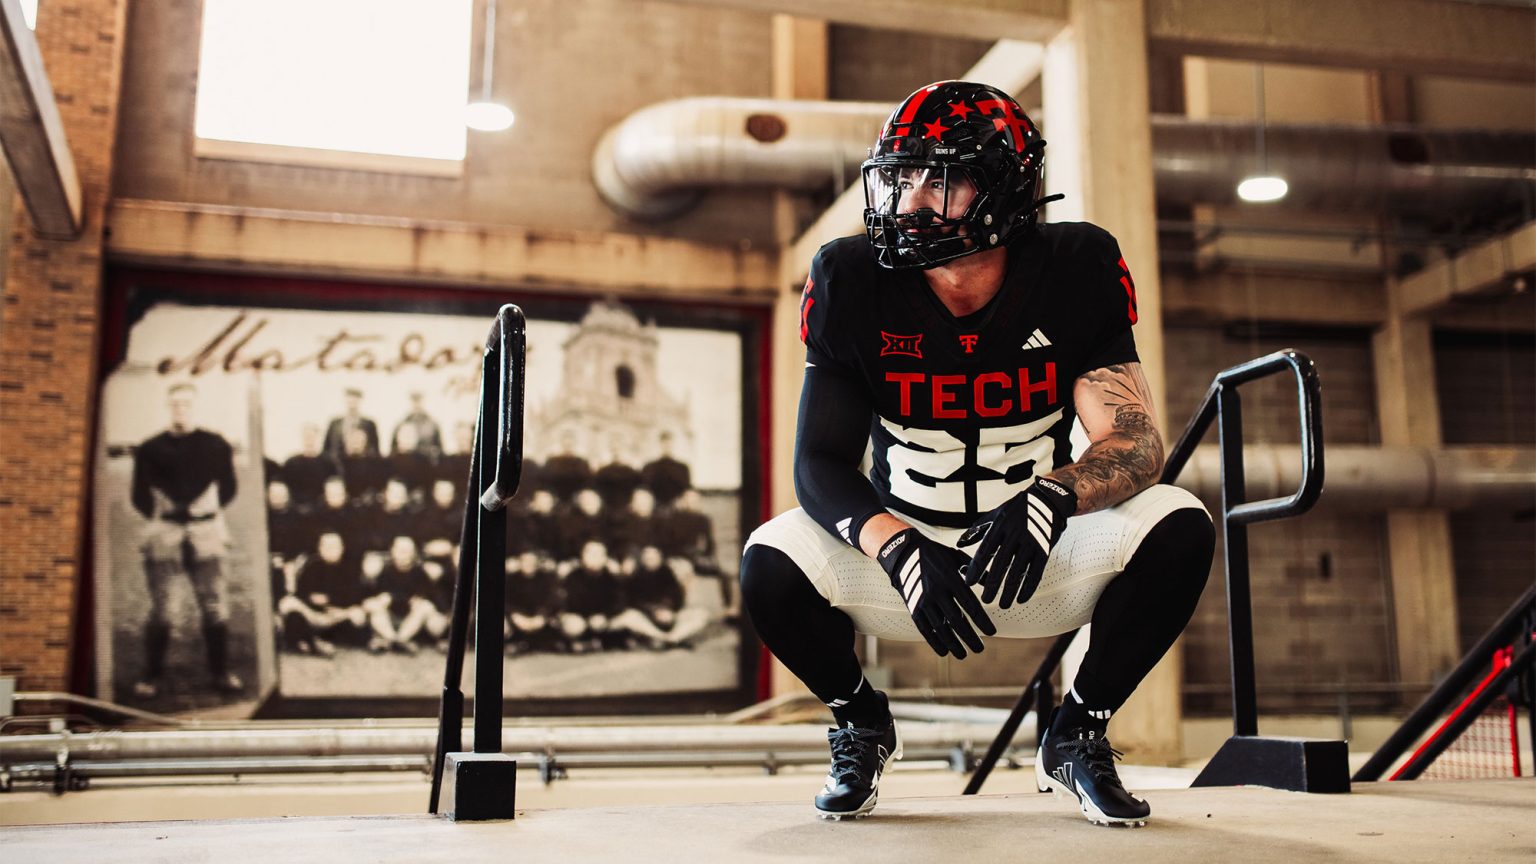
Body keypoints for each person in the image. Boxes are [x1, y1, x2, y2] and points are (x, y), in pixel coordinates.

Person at [740, 81, 1215, 825]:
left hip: (1040, 555)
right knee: (769, 558)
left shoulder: (1077, 266)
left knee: (1180, 522)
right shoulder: (849, 275)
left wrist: (1053, 495)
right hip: (904, 567)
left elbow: (1137, 441)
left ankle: (1078, 729)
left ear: (1006, 188)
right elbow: (819, 464)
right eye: (901, 176)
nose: (912, 201)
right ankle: (861, 720)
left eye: (943, 177)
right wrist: (896, 547)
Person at [129, 382, 244, 697]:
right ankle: (151, 676)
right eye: (175, 404)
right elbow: (138, 496)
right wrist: (167, 515)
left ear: (194, 407)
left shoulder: (215, 444)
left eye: (186, 404)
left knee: (214, 605)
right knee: (164, 608)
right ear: (169, 406)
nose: (181, 409)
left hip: (206, 530)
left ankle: (221, 673)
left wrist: (203, 513)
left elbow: (230, 488)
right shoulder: (150, 448)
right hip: (166, 531)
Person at [278, 531, 368, 655]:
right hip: (314, 614)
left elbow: (356, 595)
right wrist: (312, 600)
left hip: (339, 613)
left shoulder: (350, 567)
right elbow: (301, 594)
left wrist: (331, 601)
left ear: (342, 548)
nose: (331, 550)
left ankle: (312, 641)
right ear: (320, 548)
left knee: (359, 616)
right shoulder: (311, 566)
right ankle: (311, 641)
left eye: (334, 546)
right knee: (288, 604)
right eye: (326, 546)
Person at [280, 424, 338, 511]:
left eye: (313, 437)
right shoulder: (291, 463)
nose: (310, 441)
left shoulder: (329, 463)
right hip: (296, 510)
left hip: (322, 510)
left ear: (319, 439)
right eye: (307, 437)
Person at [323, 387, 381, 461]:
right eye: (349, 401)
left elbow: (375, 450)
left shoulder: (369, 424)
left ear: (359, 401)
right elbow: (327, 448)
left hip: (362, 464)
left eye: (355, 401)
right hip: (338, 464)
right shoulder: (334, 424)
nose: (352, 404)